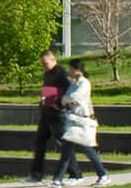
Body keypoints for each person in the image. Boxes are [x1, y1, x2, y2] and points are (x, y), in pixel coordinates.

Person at [53, 67, 106, 186]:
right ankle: (57, 179)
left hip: (81, 121)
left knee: (88, 150)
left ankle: (103, 175)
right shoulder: (73, 84)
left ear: (79, 70)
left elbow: (73, 97)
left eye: (71, 69)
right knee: (66, 150)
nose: (69, 72)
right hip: (73, 120)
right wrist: (66, 100)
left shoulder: (84, 83)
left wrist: (67, 99)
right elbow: (65, 99)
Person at [26, 53, 72, 181]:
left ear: (54, 60)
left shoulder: (62, 73)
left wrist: (59, 104)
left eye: (45, 63)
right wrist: (43, 101)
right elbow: (47, 90)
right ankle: (36, 174)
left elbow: (69, 92)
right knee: (39, 142)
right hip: (46, 113)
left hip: (58, 114)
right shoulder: (47, 74)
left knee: (64, 144)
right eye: (42, 64)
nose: (44, 66)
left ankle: (75, 173)